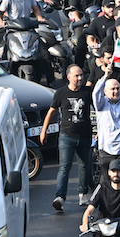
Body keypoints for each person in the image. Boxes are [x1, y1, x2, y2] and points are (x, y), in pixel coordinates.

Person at [43, 65, 94, 211]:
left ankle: (82, 194)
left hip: (85, 136)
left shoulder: (88, 92)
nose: (80, 78)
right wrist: (44, 130)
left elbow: (100, 108)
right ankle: (60, 197)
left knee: (85, 165)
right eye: (77, 76)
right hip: (67, 136)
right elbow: (52, 112)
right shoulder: (61, 93)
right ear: (69, 77)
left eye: (81, 75)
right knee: (64, 167)